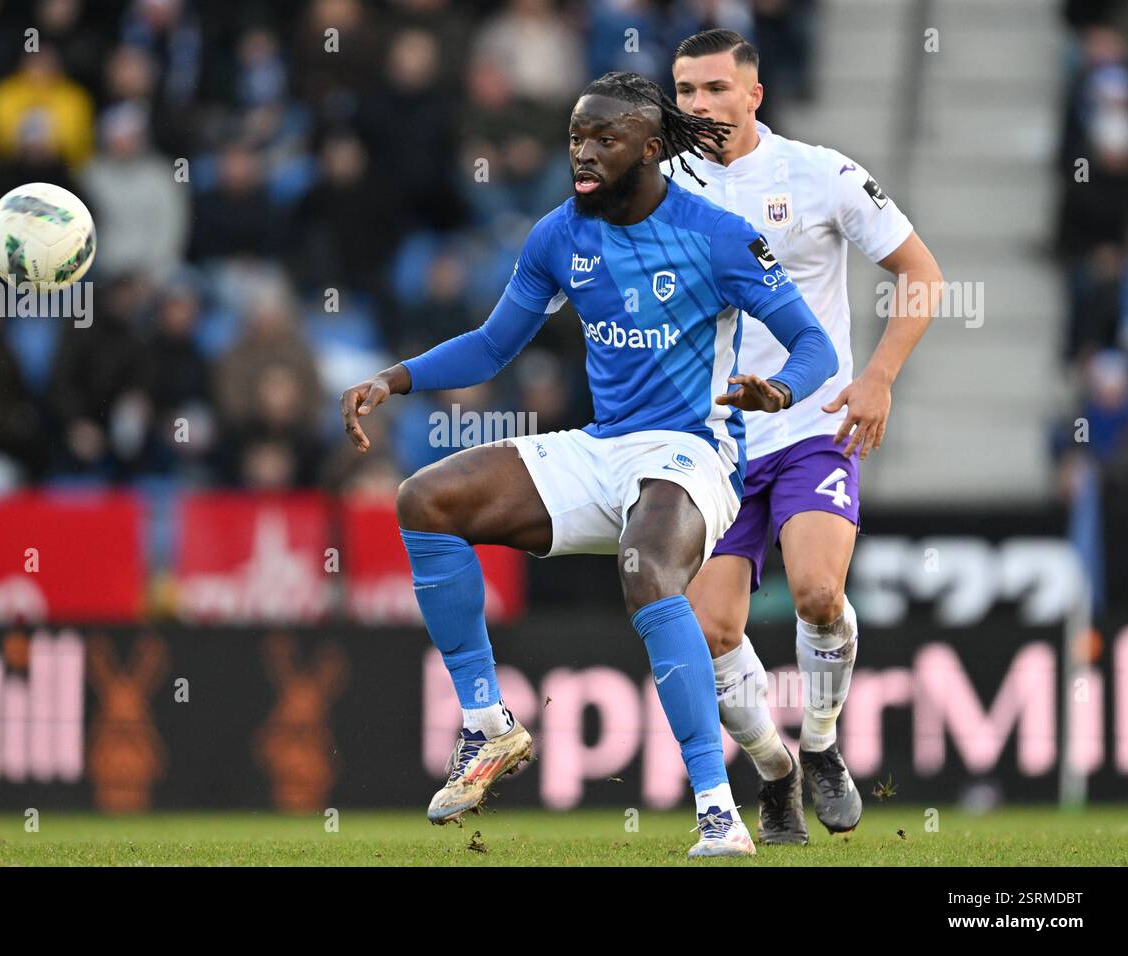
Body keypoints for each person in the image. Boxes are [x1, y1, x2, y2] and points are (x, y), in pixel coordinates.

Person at [340, 71, 838, 858]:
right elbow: (492, 345)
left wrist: (779, 389)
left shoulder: (715, 236)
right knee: (425, 499)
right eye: (578, 136)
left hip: (695, 451)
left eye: (605, 139)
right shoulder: (559, 235)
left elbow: (817, 345)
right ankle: (486, 725)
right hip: (602, 445)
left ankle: (716, 812)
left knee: (645, 570)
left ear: (650, 149)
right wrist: (392, 378)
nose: (584, 151)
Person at [666, 30, 943, 842]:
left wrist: (880, 375)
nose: (699, 106)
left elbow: (922, 275)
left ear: (754, 95)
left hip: (812, 425)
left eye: (715, 89)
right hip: (711, 442)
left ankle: (820, 746)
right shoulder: (660, 188)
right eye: (685, 91)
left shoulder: (818, 174)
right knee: (711, 631)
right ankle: (777, 771)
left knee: (819, 592)